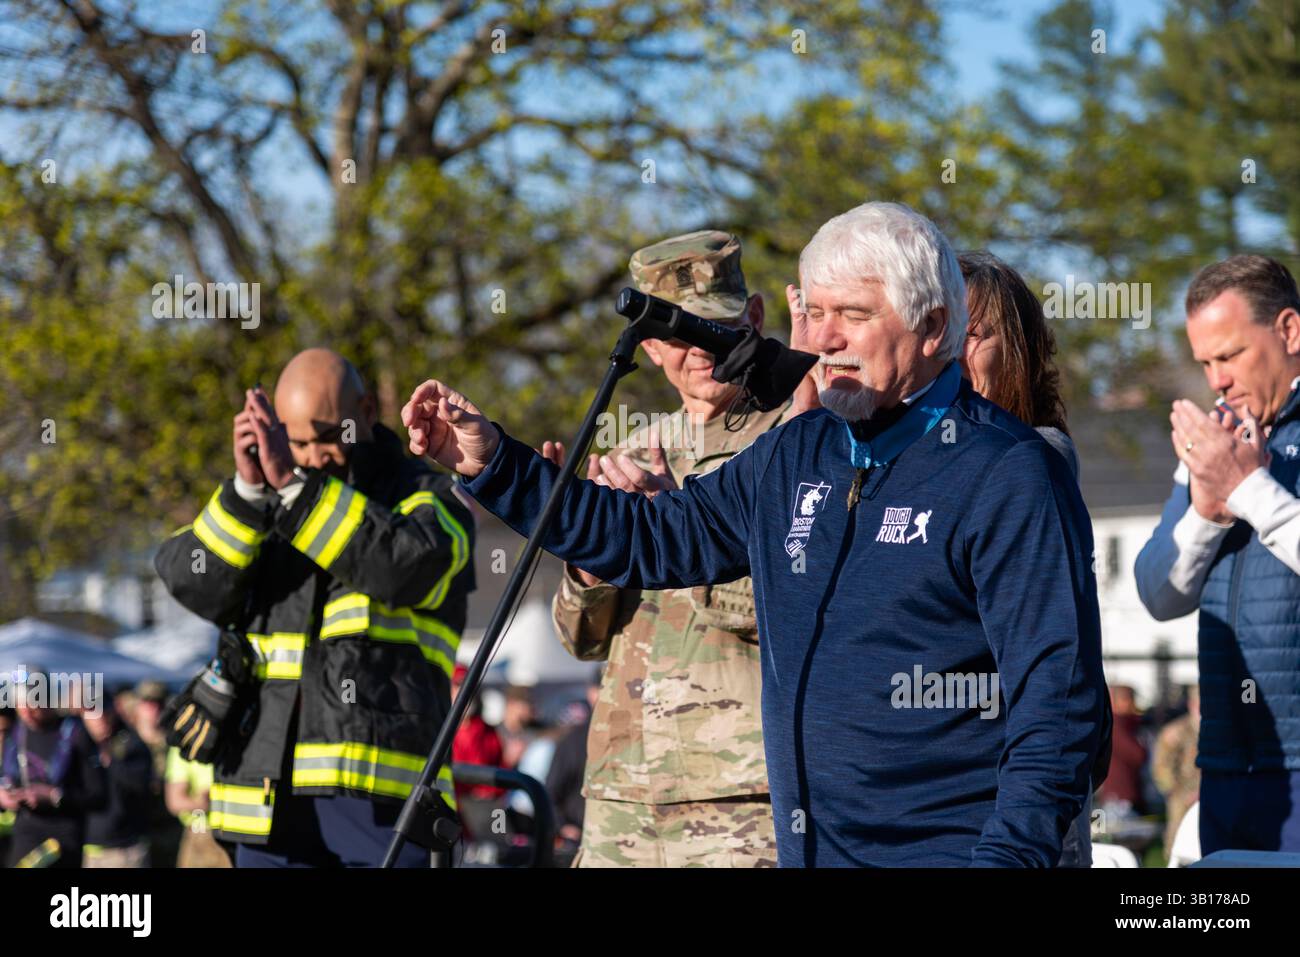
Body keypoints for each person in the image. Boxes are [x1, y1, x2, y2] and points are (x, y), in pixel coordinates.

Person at [404, 201, 1107, 867]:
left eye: (853, 315)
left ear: (932, 325)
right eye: (817, 310)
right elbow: (643, 536)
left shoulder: (1009, 472)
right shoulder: (799, 452)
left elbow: (1060, 709)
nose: (824, 337)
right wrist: (494, 462)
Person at [154, 348, 476, 867]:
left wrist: (295, 492)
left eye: (327, 436)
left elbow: (404, 566)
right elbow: (188, 578)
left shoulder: (427, 495)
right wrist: (245, 494)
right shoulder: (262, 502)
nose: (310, 455)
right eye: (295, 441)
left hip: (376, 807)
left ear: (367, 412)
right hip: (261, 805)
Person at [540, 230, 788, 867]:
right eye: (681, 335)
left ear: (755, 318)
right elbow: (581, 638)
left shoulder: (797, 442)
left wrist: (680, 531)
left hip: (739, 794)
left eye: (719, 327)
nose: (701, 351)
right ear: (649, 346)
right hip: (622, 791)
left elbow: (796, 605)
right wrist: (589, 565)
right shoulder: (631, 451)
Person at [1135, 254, 1300, 855]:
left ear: (1289, 331)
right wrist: (1206, 509)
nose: (1217, 382)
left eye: (1229, 356)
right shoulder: (1217, 442)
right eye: (1205, 363)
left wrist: (1250, 490)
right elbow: (1158, 595)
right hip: (1226, 765)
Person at [0, 670, 107, 868]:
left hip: (64, 838)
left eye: (34, 704)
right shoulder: (15, 734)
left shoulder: (74, 733)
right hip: (26, 833)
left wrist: (55, 796)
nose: (27, 712)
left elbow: (99, 795)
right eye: (21, 705)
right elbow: (6, 777)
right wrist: (5, 795)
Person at [82, 702, 155, 867]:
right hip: (91, 850)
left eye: (102, 713)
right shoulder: (79, 745)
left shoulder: (131, 745)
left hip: (126, 849)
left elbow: (141, 784)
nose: (98, 719)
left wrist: (111, 762)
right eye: (90, 713)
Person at [1153, 686, 1201, 858]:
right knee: (1180, 850)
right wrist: (1184, 794)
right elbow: (1161, 771)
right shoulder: (1175, 732)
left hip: (1211, 800)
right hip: (1183, 802)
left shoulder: (1219, 730)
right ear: (1191, 704)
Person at [164, 746, 233, 867]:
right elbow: (175, 801)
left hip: (230, 833)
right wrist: (204, 801)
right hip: (199, 833)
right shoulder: (184, 745)